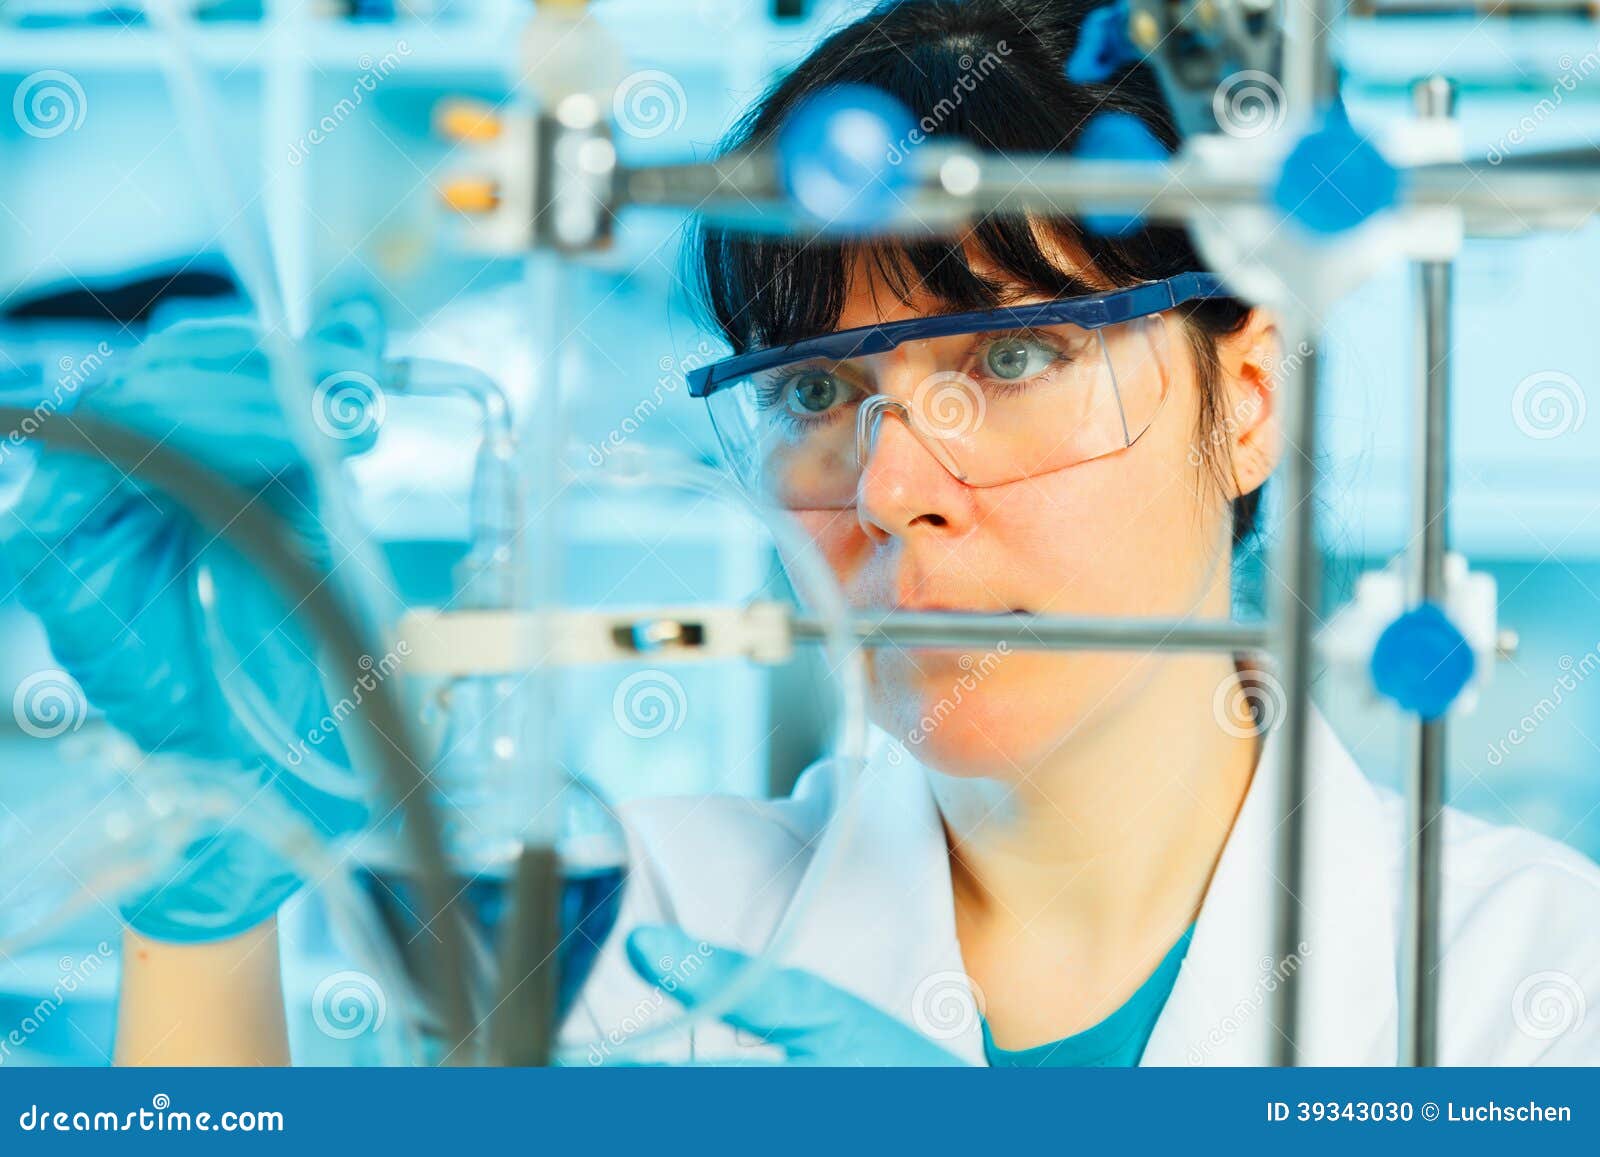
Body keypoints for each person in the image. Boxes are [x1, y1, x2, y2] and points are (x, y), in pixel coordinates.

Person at [6, 0, 1597, 1067]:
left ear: (1248, 395)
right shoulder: (644, 941)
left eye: (1013, 356)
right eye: (822, 386)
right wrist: (207, 871)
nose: (895, 486)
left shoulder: (1532, 985)